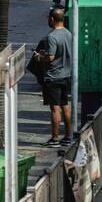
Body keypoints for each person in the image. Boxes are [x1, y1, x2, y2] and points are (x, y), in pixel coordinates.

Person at [36, 8, 75, 147]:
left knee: (55, 108)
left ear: (52, 19)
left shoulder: (51, 37)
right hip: (66, 74)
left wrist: (39, 57)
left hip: (53, 76)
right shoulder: (68, 33)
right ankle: (68, 136)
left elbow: (51, 57)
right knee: (65, 106)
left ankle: (55, 138)